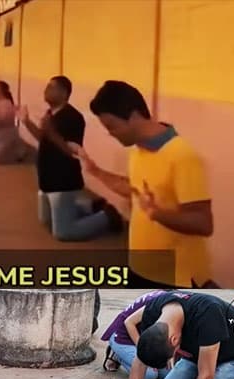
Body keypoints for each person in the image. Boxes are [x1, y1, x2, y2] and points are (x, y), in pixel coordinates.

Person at [76, 80, 214, 287]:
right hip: (140, 267)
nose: (110, 133)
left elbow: (203, 223)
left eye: (112, 126)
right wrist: (95, 171)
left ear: (134, 116)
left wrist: (158, 214)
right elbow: (135, 192)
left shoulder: (183, 156)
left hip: (175, 278)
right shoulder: (138, 150)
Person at [17, 75, 121, 241]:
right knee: (45, 222)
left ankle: (107, 218)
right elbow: (43, 140)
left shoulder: (73, 117)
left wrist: (51, 131)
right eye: (47, 86)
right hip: (46, 179)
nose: (46, 90)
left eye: (52, 87)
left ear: (64, 93)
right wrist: (27, 122)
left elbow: (71, 152)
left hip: (63, 181)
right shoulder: (50, 114)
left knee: (63, 232)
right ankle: (89, 207)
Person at [101, 290, 170, 379]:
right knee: (149, 375)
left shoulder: (170, 299)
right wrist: (144, 353)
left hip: (142, 337)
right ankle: (117, 355)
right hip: (122, 337)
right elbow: (129, 322)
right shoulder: (158, 303)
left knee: (167, 373)